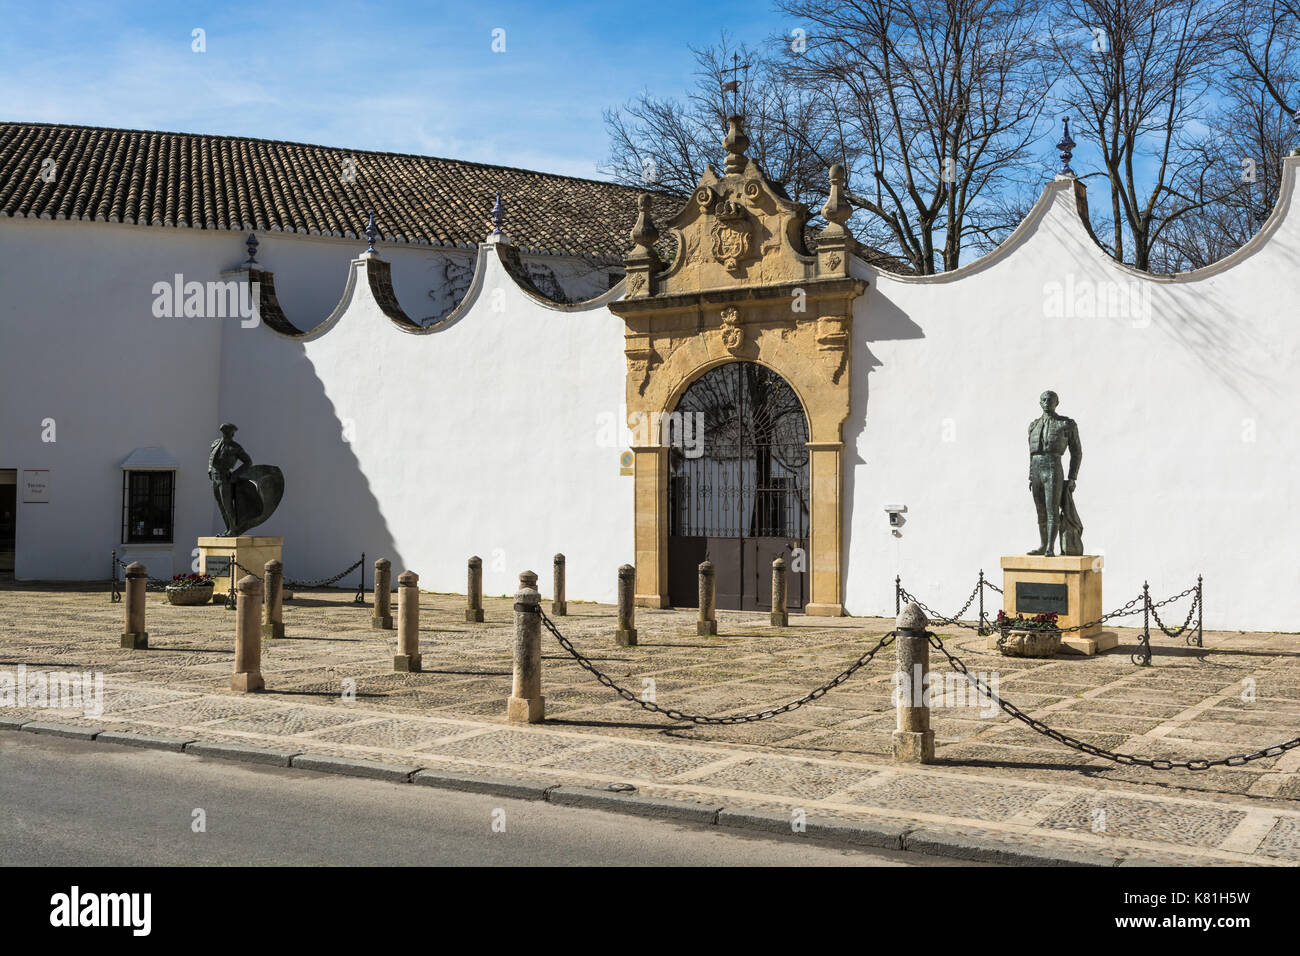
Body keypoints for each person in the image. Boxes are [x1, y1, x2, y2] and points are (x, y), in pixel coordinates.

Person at [1027, 391, 1083, 556]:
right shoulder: (1033, 426)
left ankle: (1051, 547)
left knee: (1052, 509)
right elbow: (1030, 454)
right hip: (1037, 468)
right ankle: (1043, 545)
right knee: (1041, 511)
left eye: (1050, 400)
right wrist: (1031, 475)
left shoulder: (1066, 424)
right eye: (1043, 399)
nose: (1046, 402)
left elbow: (1077, 452)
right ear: (1039, 402)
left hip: (1053, 466)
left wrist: (1072, 477)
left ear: (1056, 403)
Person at [208, 423, 252, 536]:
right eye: (226, 433)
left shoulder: (235, 447)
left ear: (232, 433)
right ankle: (228, 529)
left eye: (230, 433)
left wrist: (235, 475)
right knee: (221, 506)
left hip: (225, 478)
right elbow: (212, 456)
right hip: (215, 478)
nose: (229, 435)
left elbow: (248, 462)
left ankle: (233, 529)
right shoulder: (216, 443)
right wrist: (209, 469)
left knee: (227, 505)